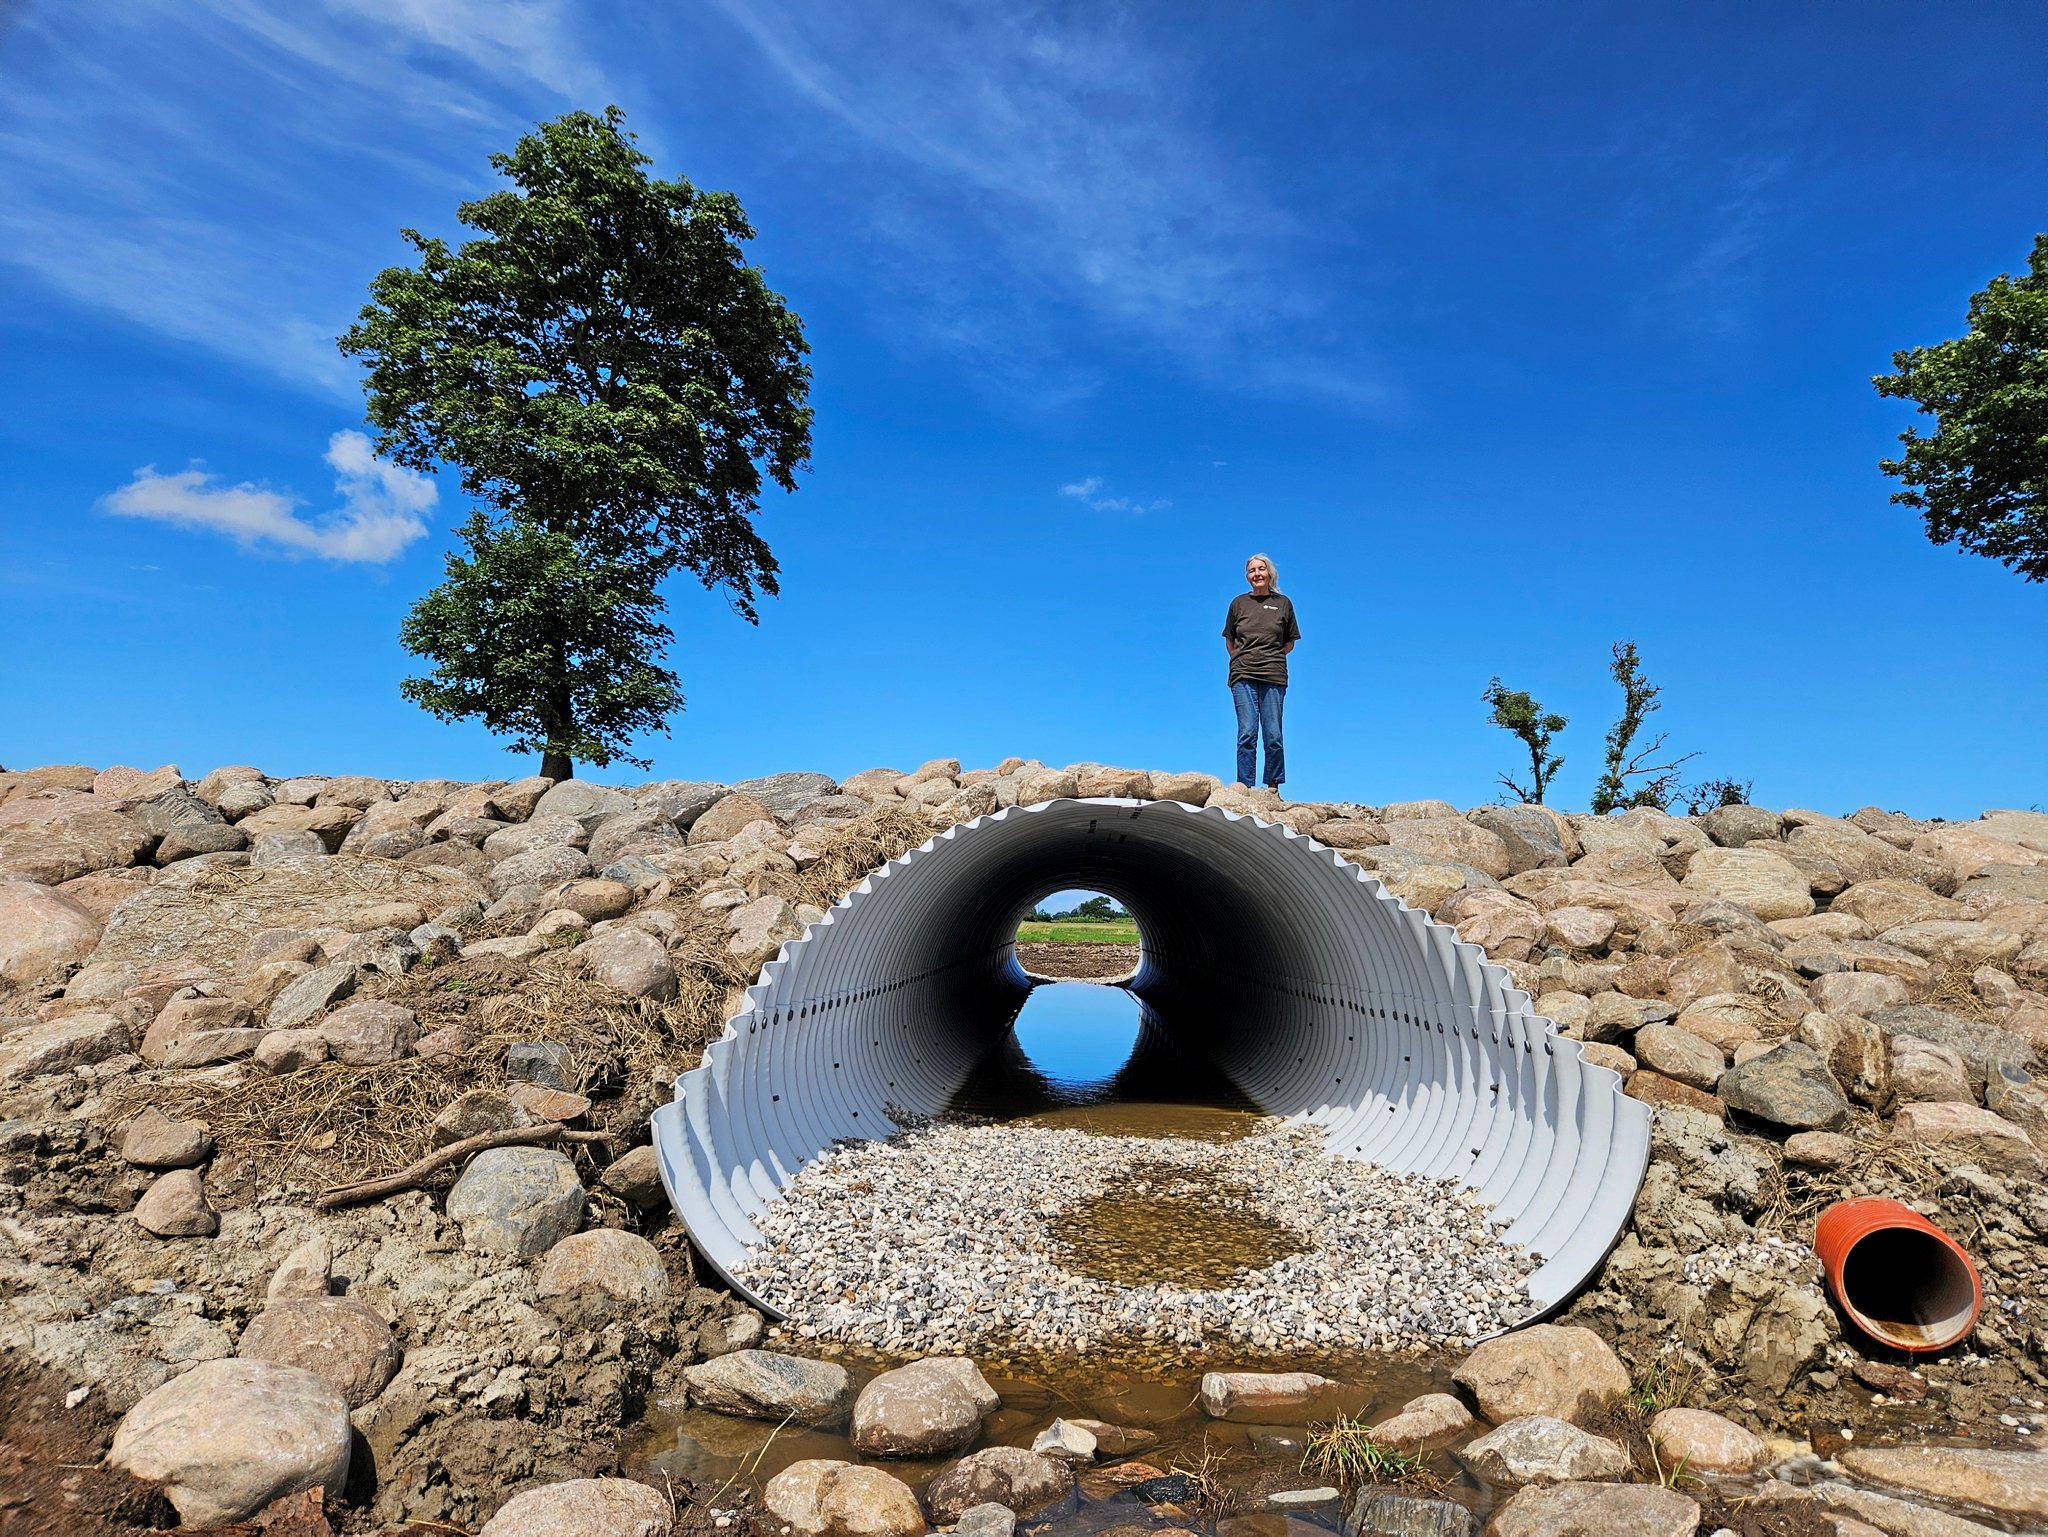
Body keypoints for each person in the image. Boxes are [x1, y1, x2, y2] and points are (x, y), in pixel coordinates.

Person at [1222, 553, 1300, 790]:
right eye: (1252, 570)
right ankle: (1244, 788)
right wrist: (1242, 659)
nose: (1256, 574)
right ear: (1247, 576)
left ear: (1269, 573)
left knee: (1273, 735)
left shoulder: (1283, 603)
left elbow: (1289, 643)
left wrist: (1269, 657)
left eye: (1261, 569)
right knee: (1247, 732)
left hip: (1273, 674)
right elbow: (1230, 642)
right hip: (1242, 674)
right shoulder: (1238, 604)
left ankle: (1273, 788)